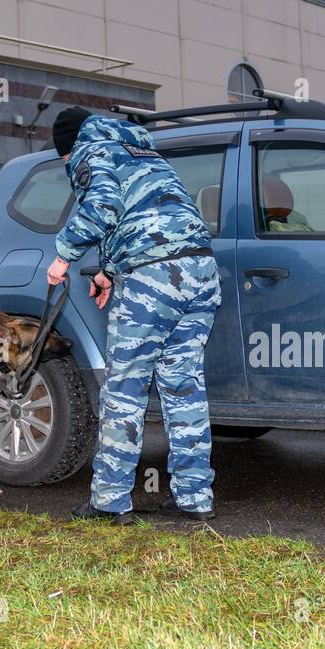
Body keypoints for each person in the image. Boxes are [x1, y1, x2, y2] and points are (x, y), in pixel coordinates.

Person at [46, 107, 221, 524]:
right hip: (200, 272)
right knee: (184, 388)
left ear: (69, 147)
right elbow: (142, 216)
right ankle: (194, 498)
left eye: (64, 159)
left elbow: (103, 207)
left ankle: (109, 501)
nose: (68, 166)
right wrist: (108, 270)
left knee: (124, 389)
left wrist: (62, 256)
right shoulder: (142, 152)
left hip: (153, 278)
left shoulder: (92, 151)